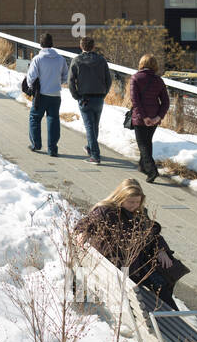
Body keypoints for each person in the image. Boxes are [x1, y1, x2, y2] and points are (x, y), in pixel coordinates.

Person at [74, 178, 181, 307]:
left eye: (137, 202)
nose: (134, 205)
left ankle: (172, 314)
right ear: (120, 197)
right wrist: (82, 233)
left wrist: (161, 250)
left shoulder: (139, 213)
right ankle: (169, 318)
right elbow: (86, 223)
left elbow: (152, 234)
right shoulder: (106, 211)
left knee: (165, 279)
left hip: (135, 264)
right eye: (130, 202)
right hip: (121, 266)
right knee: (158, 284)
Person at [69, 37, 112, 164]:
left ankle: (95, 155)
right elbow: (108, 80)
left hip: (84, 98)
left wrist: (77, 96)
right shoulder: (101, 60)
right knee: (94, 125)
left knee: (89, 127)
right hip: (99, 97)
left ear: (81, 46)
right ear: (93, 46)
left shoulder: (76, 61)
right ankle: (90, 147)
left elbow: (71, 81)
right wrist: (103, 93)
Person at [129, 53, 170, 183]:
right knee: (147, 142)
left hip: (141, 117)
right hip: (154, 116)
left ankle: (152, 170)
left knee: (142, 144)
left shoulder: (136, 78)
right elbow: (166, 102)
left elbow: (135, 100)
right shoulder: (159, 80)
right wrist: (158, 117)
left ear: (142, 64)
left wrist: (144, 116)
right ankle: (143, 166)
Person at [26, 33, 68, 156]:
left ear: (41, 44)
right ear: (52, 43)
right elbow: (65, 76)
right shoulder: (60, 59)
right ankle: (52, 148)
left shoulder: (38, 59)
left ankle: (36, 144)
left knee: (35, 117)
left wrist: (31, 88)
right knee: (53, 120)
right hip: (55, 95)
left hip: (41, 95)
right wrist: (56, 82)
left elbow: (31, 77)